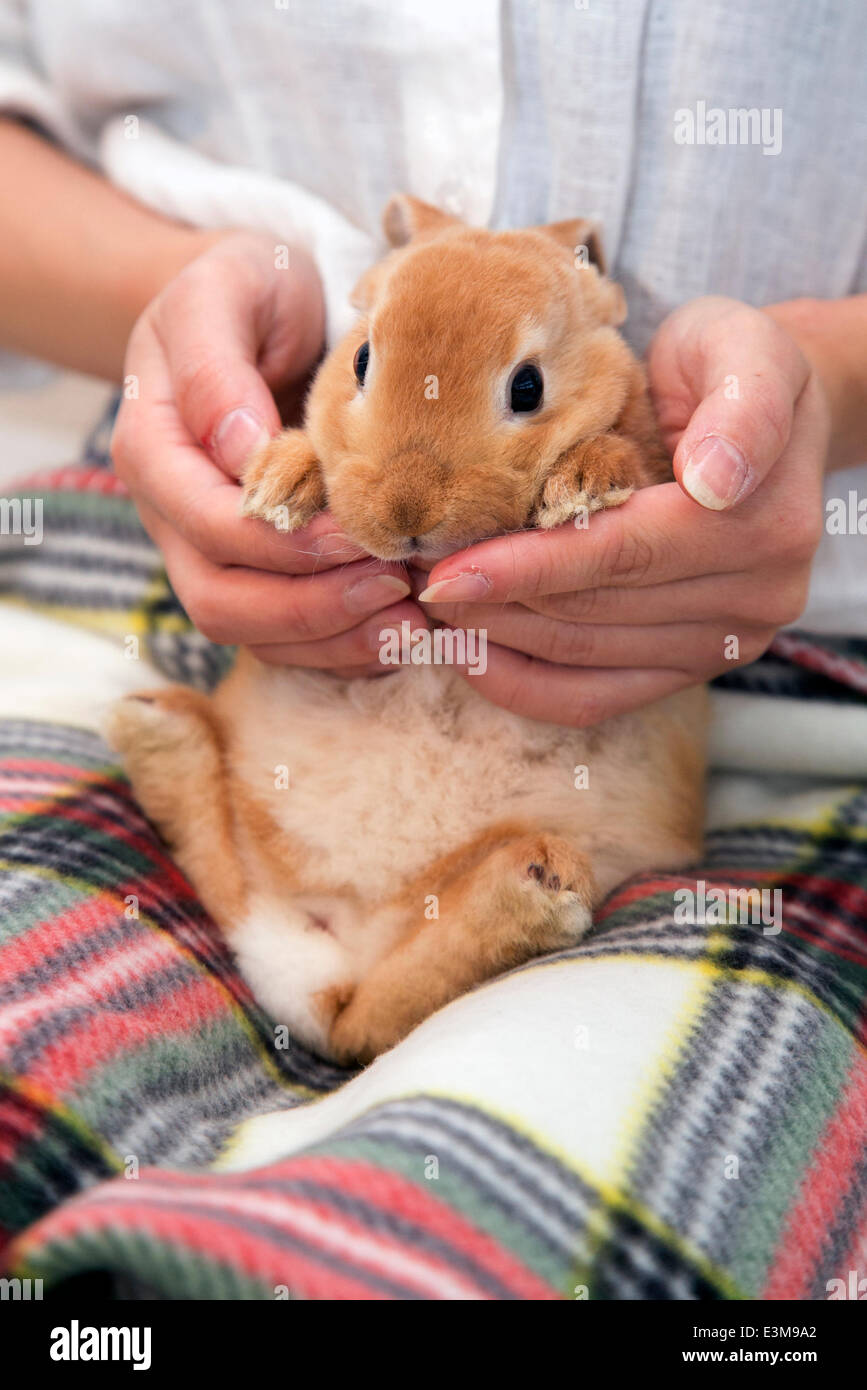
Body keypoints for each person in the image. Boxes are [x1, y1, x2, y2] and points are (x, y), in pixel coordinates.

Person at [0, 0, 864, 724]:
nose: (412, 505)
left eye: (521, 391)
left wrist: (825, 380)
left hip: (790, 679)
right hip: (180, 566)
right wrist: (187, 304)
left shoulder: (598, 377)